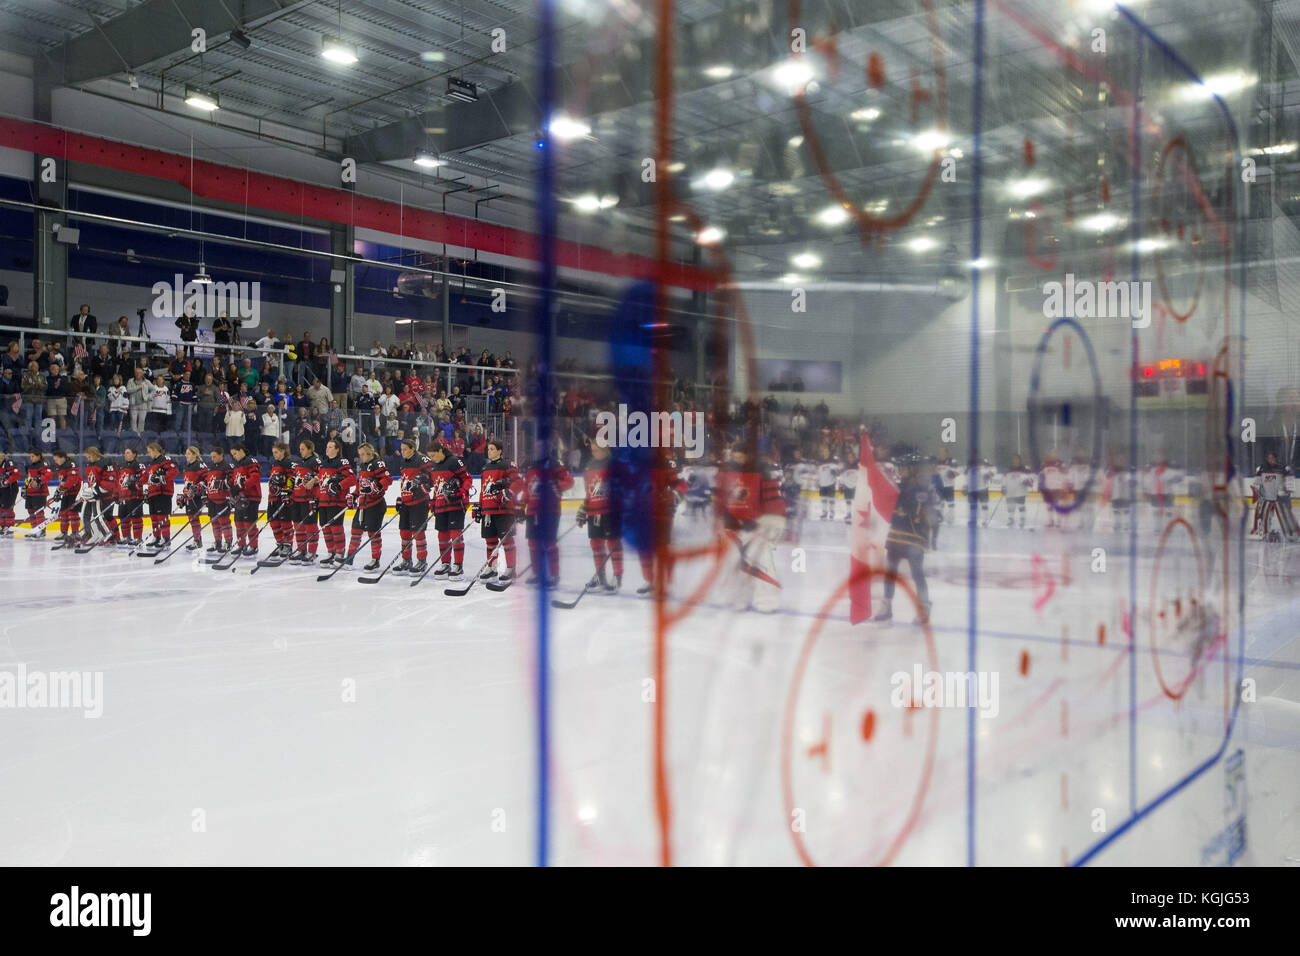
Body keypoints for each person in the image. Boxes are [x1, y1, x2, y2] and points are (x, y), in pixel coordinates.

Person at [873, 454, 938, 624]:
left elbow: (912, 510)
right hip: (896, 535)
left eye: (904, 468)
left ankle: (924, 606)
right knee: (890, 572)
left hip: (915, 537)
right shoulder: (898, 486)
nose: (900, 471)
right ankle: (886, 605)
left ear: (912, 469)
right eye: (899, 468)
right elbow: (892, 509)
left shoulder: (923, 489)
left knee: (917, 573)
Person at [520, 440, 573, 587]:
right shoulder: (531, 467)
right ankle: (537, 572)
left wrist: (555, 485)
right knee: (533, 543)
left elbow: (569, 481)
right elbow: (526, 488)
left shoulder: (555, 465)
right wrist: (521, 506)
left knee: (549, 543)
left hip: (550, 511)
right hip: (532, 511)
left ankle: (554, 574)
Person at [428, 439, 472, 577]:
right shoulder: (434, 466)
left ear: (441, 451)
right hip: (441, 504)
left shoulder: (454, 461)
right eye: (430, 457)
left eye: (433, 455)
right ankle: (445, 564)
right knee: (442, 535)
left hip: (456, 503)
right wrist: (433, 501)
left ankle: (458, 565)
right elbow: (436, 486)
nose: (432, 459)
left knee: (455, 535)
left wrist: (462, 492)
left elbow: (467, 479)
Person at [346, 442, 390, 571]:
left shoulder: (378, 463)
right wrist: (354, 495)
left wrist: (374, 486)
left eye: (364, 454)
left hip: (376, 505)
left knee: (373, 533)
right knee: (355, 531)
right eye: (360, 454)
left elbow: (387, 480)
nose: (362, 457)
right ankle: (349, 558)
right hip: (363, 504)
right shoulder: (362, 466)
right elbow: (360, 485)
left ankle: (375, 560)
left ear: (370, 453)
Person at [394, 438, 434, 574]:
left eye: (405, 449)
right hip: (406, 502)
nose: (402, 452)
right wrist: (402, 497)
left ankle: (422, 561)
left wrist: (423, 483)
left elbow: (433, 478)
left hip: (419, 502)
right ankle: (406, 560)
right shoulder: (404, 462)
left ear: (412, 449)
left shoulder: (422, 460)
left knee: (418, 532)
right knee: (404, 532)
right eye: (401, 449)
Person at [314, 437, 354, 567]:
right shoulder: (324, 463)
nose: (327, 449)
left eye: (331, 447)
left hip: (336, 501)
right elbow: (321, 482)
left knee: (336, 528)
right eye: (327, 446)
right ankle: (331, 553)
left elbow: (352, 478)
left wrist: (339, 486)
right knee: (325, 528)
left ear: (337, 450)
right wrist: (317, 497)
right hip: (324, 501)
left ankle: (339, 554)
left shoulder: (342, 462)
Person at [288, 439, 321, 564]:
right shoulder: (299, 463)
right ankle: (302, 550)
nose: (300, 451)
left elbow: (322, 474)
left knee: (310, 526)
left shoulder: (316, 461)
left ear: (310, 449)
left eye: (303, 449)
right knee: (298, 525)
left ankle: (311, 552)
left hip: (309, 499)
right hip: (297, 498)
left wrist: (313, 480)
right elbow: (293, 478)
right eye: (300, 449)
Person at [142, 441, 179, 550]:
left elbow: (174, 471)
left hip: (163, 493)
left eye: (149, 452)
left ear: (155, 450)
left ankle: (166, 538)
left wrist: (162, 477)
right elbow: (146, 477)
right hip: (153, 493)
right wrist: (139, 482)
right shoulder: (152, 463)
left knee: (162, 516)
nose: (149, 454)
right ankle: (156, 537)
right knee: (154, 517)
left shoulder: (165, 460)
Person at [78, 447, 118, 544]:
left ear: (95, 455)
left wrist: (96, 490)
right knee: (86, 514)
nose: (88, 459)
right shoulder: (89, 464)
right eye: (87, 457)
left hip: (105, 495)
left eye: (89, 457)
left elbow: (109, 481)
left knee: (102, 516)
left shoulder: (106, 463)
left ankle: (110, 535)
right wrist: (88, 490)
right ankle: (88, 533)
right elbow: (91, 481)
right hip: (95, 494)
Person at [229, 443, 263, 556]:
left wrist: (241, 486)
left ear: (241, 450)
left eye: (235, 453)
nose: (234, 456)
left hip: (252, 497)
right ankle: (241, 545)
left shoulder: (251, 461)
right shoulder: (236, 465)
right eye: (232, 454)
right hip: (240, 498)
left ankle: (254, 546)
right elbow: (235, 481)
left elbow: (255, 477)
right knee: (239, 522)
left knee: (249, 523)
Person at [49, 449, 82, 542]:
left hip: (74, 493)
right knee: (63, 513)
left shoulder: (71, 465)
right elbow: (62, 481)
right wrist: (58, 491)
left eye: (56, 460)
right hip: (66, 493)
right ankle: (63, 532)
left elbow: (71, 480)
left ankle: (75, 532)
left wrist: (61, 490)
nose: (56, 462)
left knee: (73, 513)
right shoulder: (61, 467)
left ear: (62, 458)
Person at [116, 445, 145, 546]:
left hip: (134, 496)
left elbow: (143, 477)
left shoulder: (138, 465)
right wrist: (117, 494)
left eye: (128, 452)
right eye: (125, 453)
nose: (125, 455)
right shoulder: (121, 466)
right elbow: (118, 481)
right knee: (123, 518)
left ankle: (138, 538)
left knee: (136, 517)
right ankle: (127, 537)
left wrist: (135, 479)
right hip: (123, 496)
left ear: (134, 454)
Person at [22, 450, 53, 535]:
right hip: (30, 492)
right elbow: (28, 478)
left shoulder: (43, 464)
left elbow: (49, 475)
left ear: (39, 456)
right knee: (30, 511)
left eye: (33, 456)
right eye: (30, 456)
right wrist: (25, 488)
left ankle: (41, 530)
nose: (31, 458)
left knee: (39, 512)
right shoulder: (31, 466)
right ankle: (34, 530)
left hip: (40, 493)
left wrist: (39, 479)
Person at [1002, 454, 1035, 530]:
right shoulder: (1008, 469)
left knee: (1021, 506)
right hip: (1010, 491)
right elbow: (1004, 479)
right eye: (1014, 459)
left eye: (1017, 459)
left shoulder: (1025, 469)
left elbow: (1031, 478)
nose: (1015, 461)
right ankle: (1011, 519)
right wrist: (1003, 487)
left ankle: (1022, 520)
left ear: (1020, 460)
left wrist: (1029, 482)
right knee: (1010, 506)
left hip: (1020, 491)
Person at [0, 450, 20, 536]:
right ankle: (3, 526)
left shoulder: (9, 463)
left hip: (10, 489)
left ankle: (9, 527)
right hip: (2, 489)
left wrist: (8, 480)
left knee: (7, 507)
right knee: (1, 507)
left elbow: (16, 474)